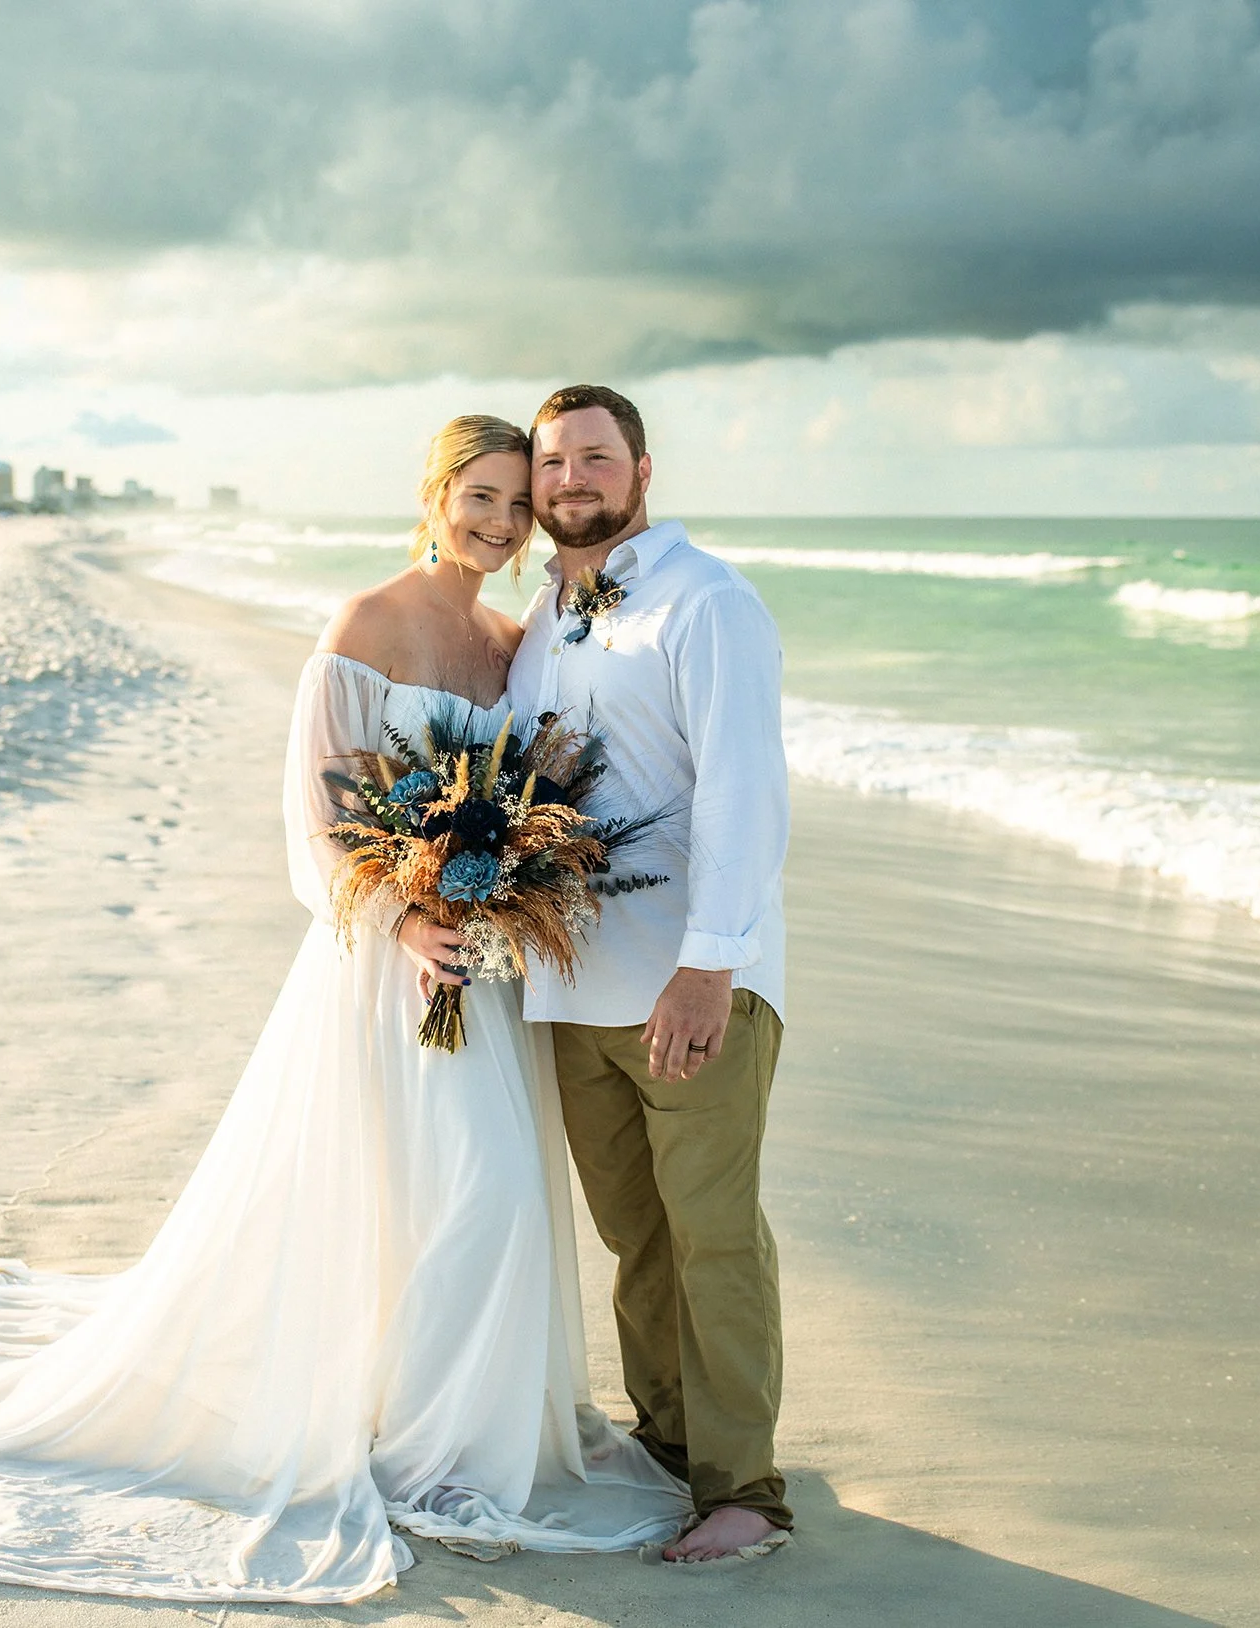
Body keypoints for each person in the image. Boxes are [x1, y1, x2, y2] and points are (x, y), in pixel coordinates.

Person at [0, 416, 688, 1603]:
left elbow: (541, 789)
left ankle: (453, 1429)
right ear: (434, 495)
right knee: (444, 1188)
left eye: (515, 505)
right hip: (386, 971)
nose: (498, 521)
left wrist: (505, 895)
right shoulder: (363, 626)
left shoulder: (514, 638)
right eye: (479, 496)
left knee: (485, 1197)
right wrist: (403, 916)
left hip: (486, 972)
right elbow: (320, 821)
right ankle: (431, 1452)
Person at [509, 384, 793, 1564]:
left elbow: (743, 786)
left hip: (690, 983)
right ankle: (672, 1441)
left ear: (640, 470)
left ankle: (747, 1488)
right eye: (552, 462)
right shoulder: (543, 619)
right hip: (574, 987)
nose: (572, 477)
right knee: (636, 1236)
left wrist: (708, 964)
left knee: (712, 1231)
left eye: (594, 456)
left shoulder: (706, 599)